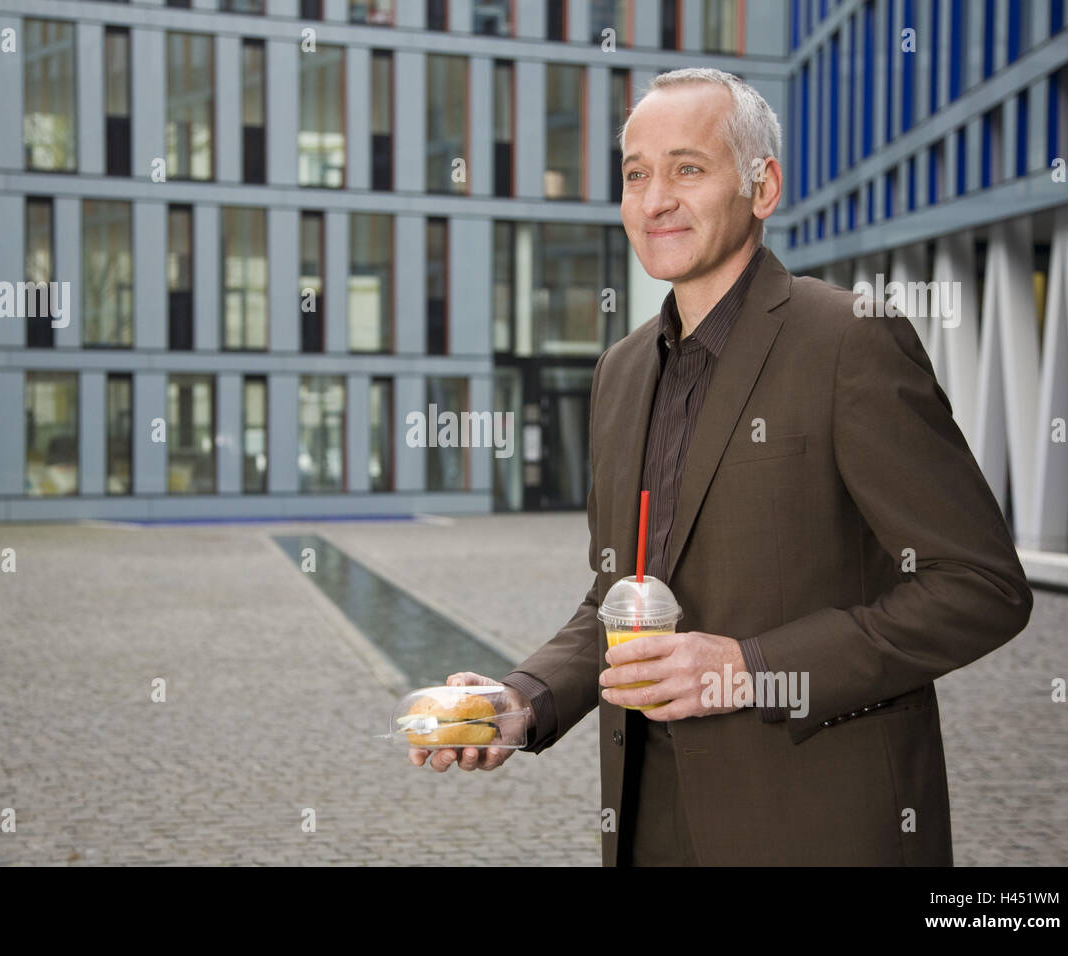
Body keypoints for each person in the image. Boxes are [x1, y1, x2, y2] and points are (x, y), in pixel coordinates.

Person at [408, 68, 1033, 866]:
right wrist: (522, 700)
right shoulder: (622, 371)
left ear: (762, 186)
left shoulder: (850, 340)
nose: (654, 199)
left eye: (687, 169)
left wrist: (753, 668)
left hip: (820, 831)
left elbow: (983, 589)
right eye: (636, 174)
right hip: (648, 830)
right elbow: (617, 597)